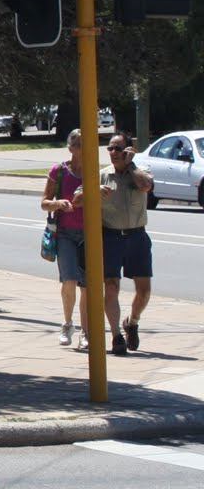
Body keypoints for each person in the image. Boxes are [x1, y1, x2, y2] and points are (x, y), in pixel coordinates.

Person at [100, 131, 154, 355]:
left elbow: (146, 186)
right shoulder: (102, 175)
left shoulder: (140, 172)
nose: (113, 153)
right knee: (111, 286)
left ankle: (131, 322)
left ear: (129, 151)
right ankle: (116, 336)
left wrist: (131, 166)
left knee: (144, 291)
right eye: (110, 148)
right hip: (111, 236)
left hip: (137, 236)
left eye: (118, 148)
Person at [42, 128, 92, 349]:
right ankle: (67, 324)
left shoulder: (93, 171)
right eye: (79, 144)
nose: (83, 149)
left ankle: (87, 332)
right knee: (69, 280)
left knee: (88, 286)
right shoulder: (59, 171)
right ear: (71, 148)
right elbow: (44, 202)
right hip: (65, 233)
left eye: (87, 144)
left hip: (89, 234)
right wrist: (58, 203)